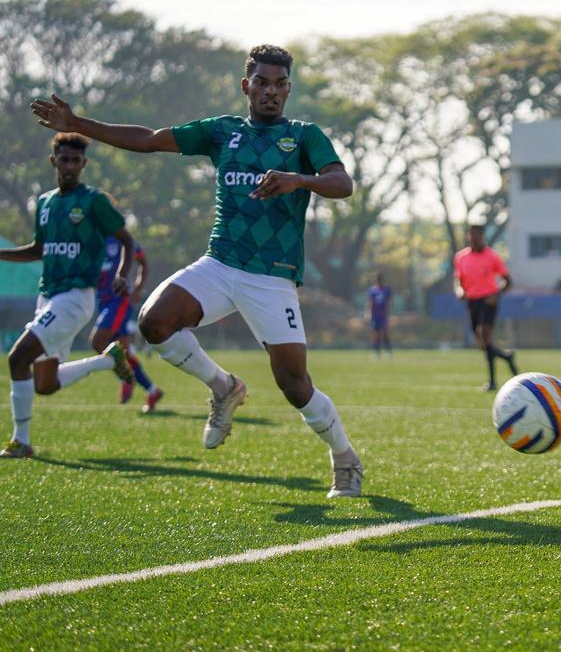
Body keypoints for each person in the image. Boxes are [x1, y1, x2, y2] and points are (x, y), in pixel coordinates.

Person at [31, 45, 364, 497]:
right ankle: (223, 387)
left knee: (294, 384)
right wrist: (77, 124)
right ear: (246, 86)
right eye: (261, 82)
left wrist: (299, 179)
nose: (271, 91)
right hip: (220, 263)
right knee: (154, 322)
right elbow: (149, 139)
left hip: (272, 276)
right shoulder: (221, 132)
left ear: (288, 88)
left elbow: (342, 184)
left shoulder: (304, 137)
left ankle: (344, 458)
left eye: (279, 84)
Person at [1, 133, 135, 458]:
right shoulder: (45, 203)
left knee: (18, 358)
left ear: (84, 164)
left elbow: (127, 240)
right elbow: (38, 249)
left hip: (75, 298)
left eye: (76, 160)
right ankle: (109, 360)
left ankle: (21, 441)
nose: (70, 165)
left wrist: (122, 274)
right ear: (54, 161)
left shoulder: (94, 201)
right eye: (65, 159)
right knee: (44, 385)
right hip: (47, 297)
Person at [91, 234, 164, 411]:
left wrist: (137, 290)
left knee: (98, 342)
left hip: (119, 301)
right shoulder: (91, 237)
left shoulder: (122, 239)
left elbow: (143, 263)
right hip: (103, 302)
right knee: (123, 352)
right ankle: (153, 391)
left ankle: (127, 379)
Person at [453, 224, 518, 391]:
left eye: (478, 234)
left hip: (488, 301)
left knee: (484, 334)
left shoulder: (492, 257)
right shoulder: (461, 257)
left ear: (483, 236)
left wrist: (496, 295)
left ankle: (492, 381)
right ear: (468, 236)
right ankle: (506, 357)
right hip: (472, 302)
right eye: (472, 233)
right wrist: (460, 291)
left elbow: (507, 281)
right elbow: (458, 282)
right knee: (482, 343)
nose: (475, 237)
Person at [366, 273, 393, 360]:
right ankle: (376, 352)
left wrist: (388, 315)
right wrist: (368, 313)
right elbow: (370, 302)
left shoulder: (386, 290)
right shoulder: (372, 290)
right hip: (375, 315)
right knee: (375, 334)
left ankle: (388, 351)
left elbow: (389, 303)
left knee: (384, 333)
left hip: (383, 315)